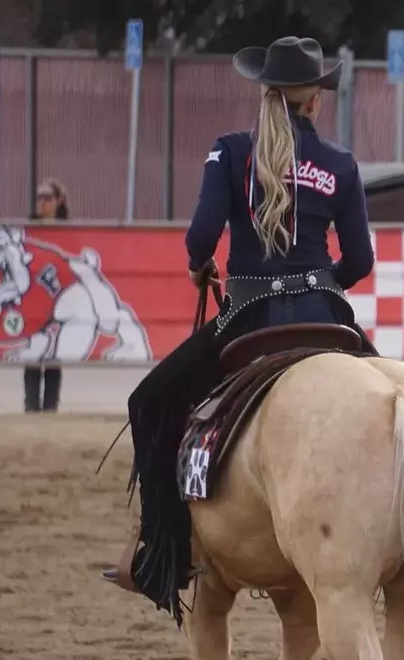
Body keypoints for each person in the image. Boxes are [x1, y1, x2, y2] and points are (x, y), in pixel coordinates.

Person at [102, 36, 377, 611]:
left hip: (248, 316)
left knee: (149, 402)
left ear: (264, 93)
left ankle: (160, 555)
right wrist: (324, 285)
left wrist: (202, 266)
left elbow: (200, 239)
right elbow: (362, 262)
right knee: (394, 407)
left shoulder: (230, 152)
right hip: (326, 317)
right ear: (315, 101)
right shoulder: (342, 165)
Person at [24, 178, 70, 413]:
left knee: (54, 353)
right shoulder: (29, 226)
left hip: (57, 297)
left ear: (58, 201)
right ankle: (31, 405)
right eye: (39, 197)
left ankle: (51, 406)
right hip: (33, 297)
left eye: (47, 198)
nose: (42, 203)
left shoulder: (68, 229)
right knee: (32, 352)